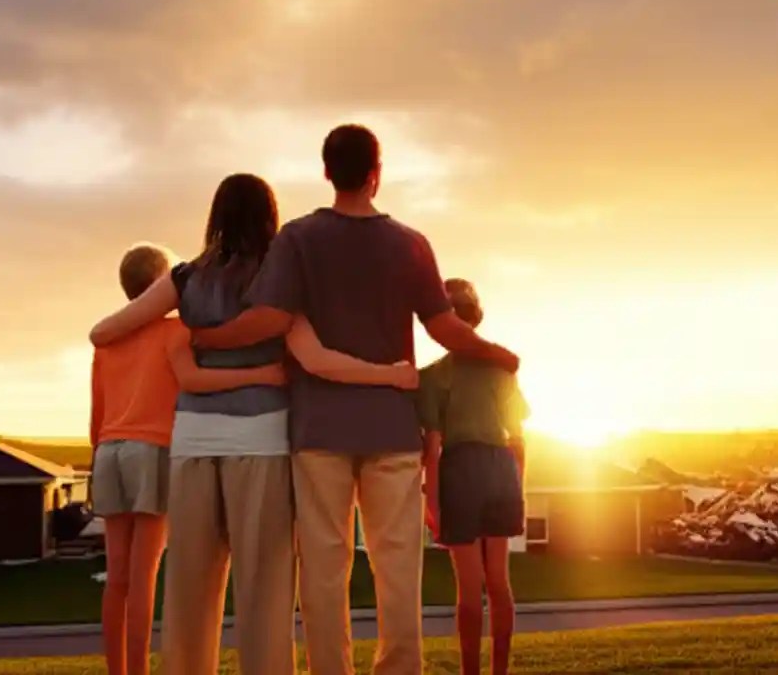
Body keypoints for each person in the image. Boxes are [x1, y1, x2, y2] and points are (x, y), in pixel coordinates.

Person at [190, 125, 520, 675]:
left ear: (326, 172)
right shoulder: (410, 243)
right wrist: (497, 353)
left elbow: (267, 319)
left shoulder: (296, 238)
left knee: (323, 571)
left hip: (319, 431)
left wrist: (206, 339)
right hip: (391, 430)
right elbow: (445, 328)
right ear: (376, 173)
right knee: (397, 573)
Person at [89, 175, 416, 675]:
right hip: (260, 440)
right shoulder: (281, 278)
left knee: (189, 589)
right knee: (263, 589)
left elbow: (104, 331)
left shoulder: (185, 278)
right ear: (270, 216)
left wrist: (189, 335)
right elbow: (313, 358)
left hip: (192, 443)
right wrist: (389, 375)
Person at [90, 242, 286, 675]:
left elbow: (96, 414)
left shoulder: (108, 342)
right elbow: (193, 380)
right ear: (161, 286)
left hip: (108, 451)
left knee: (117, 576)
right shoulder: (176, 331)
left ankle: (117, 671)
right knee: (144, 576)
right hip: (152, 449)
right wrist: (261, 374)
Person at [419, 278, 529, 675]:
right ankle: (500, 671)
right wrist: (520, 488)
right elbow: (518, 441)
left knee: (469, 587)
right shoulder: (501, 371)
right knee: (498, 582)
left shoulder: (431, 377)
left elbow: (432, 449)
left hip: (461, 471)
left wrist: (432, 504)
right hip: (500, 469)